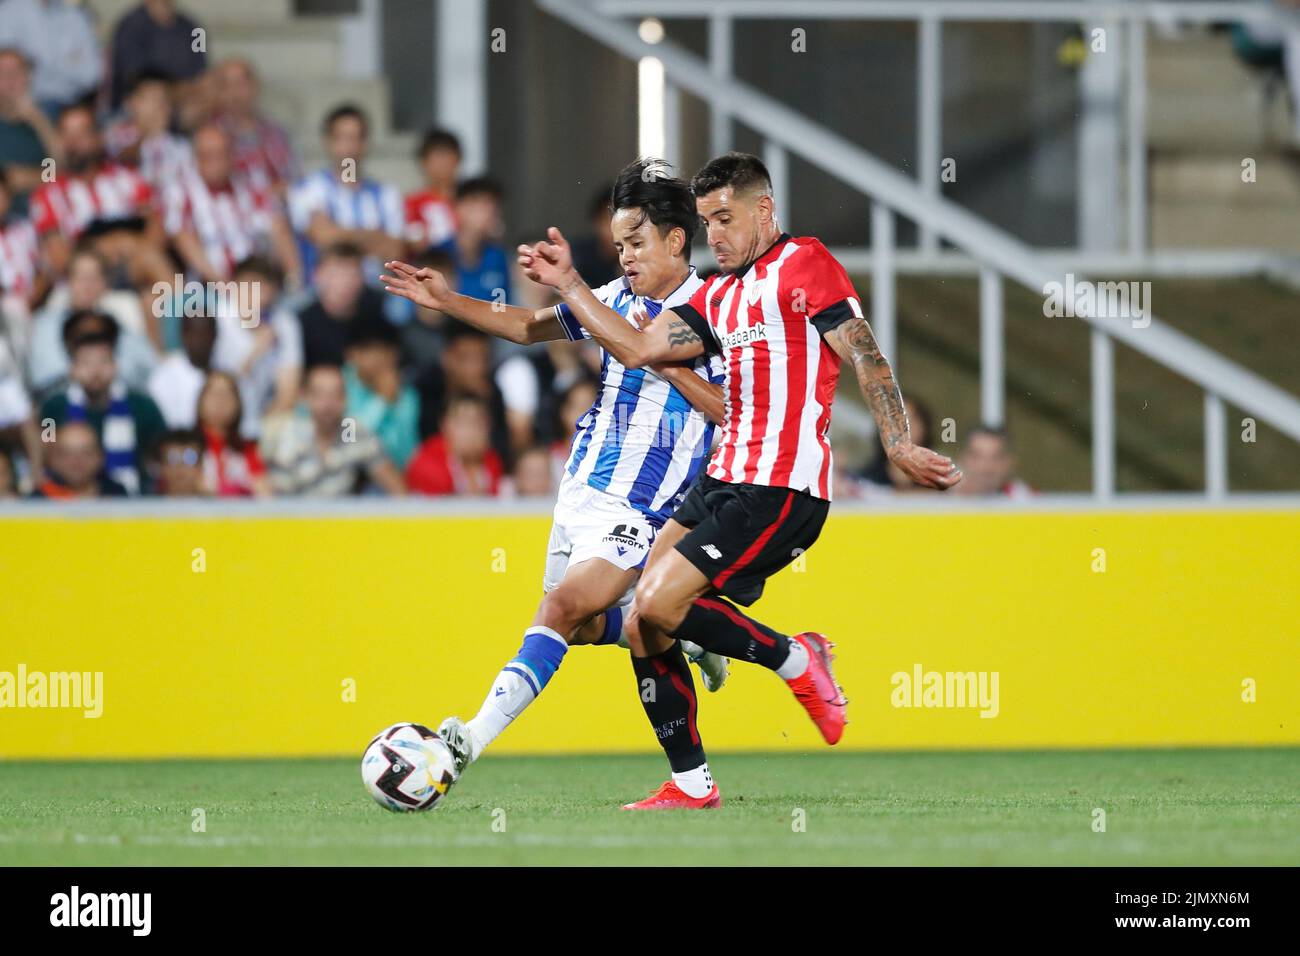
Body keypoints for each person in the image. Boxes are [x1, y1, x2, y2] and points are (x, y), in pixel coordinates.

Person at [518, 152, 962, 809]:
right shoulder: (718, 297)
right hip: (722, 480)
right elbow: (639, 346)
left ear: (765, 210)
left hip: (783, 488)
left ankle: (796, 659)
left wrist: (896, 440)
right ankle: (692, 785)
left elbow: (863, 348)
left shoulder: (803, 264)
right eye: (705, 222)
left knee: (662, 602)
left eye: (726, 218)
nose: (715, 235)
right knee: (645, 620)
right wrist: (574, 290)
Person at [381, 158, 730, 781]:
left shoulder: (712, 311)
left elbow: (728, 409)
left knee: (560, 609)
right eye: (619, 243)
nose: (624, 256)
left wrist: (658, 358)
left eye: (637, 243)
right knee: (582, 623)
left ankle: (465, 745)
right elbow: (526, 326)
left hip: (642, 505)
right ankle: (690, 631)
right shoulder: (617, 298)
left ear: (676, 240)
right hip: (581, 492)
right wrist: (444, 300)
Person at [38, 310, 165, 495]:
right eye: (86, 363)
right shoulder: (52, 409)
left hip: (130, 500)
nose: (95, 372)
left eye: (103, 362)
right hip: (63, 499)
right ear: (72, 369)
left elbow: (156, 458)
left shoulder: (143, 407)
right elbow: (46, 451)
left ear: (115, 366)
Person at [163, 123, 300, 284]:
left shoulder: (250, 184)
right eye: (208, 156)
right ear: (196, 158)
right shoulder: (181, 191)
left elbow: (278, 227)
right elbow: (184, 239)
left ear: (232, 154)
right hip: (211, 287)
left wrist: (293, 278)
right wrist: (224, 285)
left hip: (259, 279)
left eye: (221, 154)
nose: (215, 163)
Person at [288, 104, 404, 280]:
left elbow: (394, 251)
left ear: (366, 143)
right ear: (327, 142)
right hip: (322, 293)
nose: (349, 147)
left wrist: (340, 234)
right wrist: (373, 237)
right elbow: (323, 237)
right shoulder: (307, 188)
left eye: (356, 138)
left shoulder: (387, 194)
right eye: (342, 138)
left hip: (376, 292)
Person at [261, 363, 404, 497]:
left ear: (346, 399)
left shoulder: (350, 430)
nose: (328, 404)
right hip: (289, 518)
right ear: (305, 397)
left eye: (336, 395)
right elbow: (263, 488)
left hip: (341, 520)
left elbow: (397, 488)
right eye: (320, 395)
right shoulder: (284, 431)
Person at [342, 312, 419, 470]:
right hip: (348, 479)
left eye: (384, 350)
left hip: (394, 482)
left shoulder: (407, 394)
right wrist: (382, 401)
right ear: (352, 355)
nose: (378, 358)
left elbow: (407, 455)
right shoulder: (339, 385)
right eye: (369, 350)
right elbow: (347, 439)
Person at [0, 0, 99, 116]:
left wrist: (39, 65)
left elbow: (92, 76)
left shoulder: (74, 15)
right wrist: (71, 62)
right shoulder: (8, 12)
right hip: (27, 105)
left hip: (76, 105)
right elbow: (7, 73)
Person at [211, 58, 295, 194]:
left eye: (240, 84)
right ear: (217, 92)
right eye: (226, 85)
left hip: (276, 209)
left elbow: (292, 179)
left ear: (255, 86)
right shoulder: (210, 134)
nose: (235, 93)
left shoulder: (275, 131)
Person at [107, 0, 207, 111]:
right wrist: (175, 91)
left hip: (184, 106)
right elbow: (136, 79)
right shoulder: (129, 26)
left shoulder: (193, 28)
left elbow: (201, 75)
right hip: (138, 109)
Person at [405, 393, 503, 497]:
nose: (472, 431)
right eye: (464, 422)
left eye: (478, 422)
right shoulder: (425, 463)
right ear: (445, 425)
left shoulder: (494, 463)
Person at [0, 47, 63, 202]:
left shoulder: (51, 119)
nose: (10, 78)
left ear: (29, 76)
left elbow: (62, 168)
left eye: (17, 71)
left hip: (48, 211)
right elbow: (10, 178)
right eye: (3, 72)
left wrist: (39, 121)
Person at [195, 369, 268, 497]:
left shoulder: (248, 450)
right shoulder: (188, 445)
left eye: (226, 394)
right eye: (214, 394)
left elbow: (265, 495)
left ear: (238, 404)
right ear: (200, 401)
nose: (220, 401)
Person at [148, 312, 215, 428]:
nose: (201, 340)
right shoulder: (164, 375)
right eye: (195, 334)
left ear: (215, 335)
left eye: (206, 333)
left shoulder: (224, 372)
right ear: (183, 335)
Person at [30, 420, 127, 499]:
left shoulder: (118, 496)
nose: (76, 462)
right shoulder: (38, 500)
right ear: (52, 460)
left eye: (86, 453)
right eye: (67, 454)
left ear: (100, 457)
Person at [404, 127, 459, 252]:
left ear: (457, 159)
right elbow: (414, 242)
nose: (443, 164)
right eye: (437, 157)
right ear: (424, 162)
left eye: (447, 156)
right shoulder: (413, 203)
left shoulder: (468, 201)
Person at [954, 425, 1034, 499]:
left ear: (1009, 462)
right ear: (961, 459)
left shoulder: (1028, 502)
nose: (985, 467)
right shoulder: (944, 500)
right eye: (976, 457)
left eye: (996, 458)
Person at [147, 427, 206, 496]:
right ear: (161, 465)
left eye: (190, 459)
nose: (180, 466)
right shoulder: (144, 504)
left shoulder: (216, 504)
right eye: (173, 459)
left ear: (200, 466)